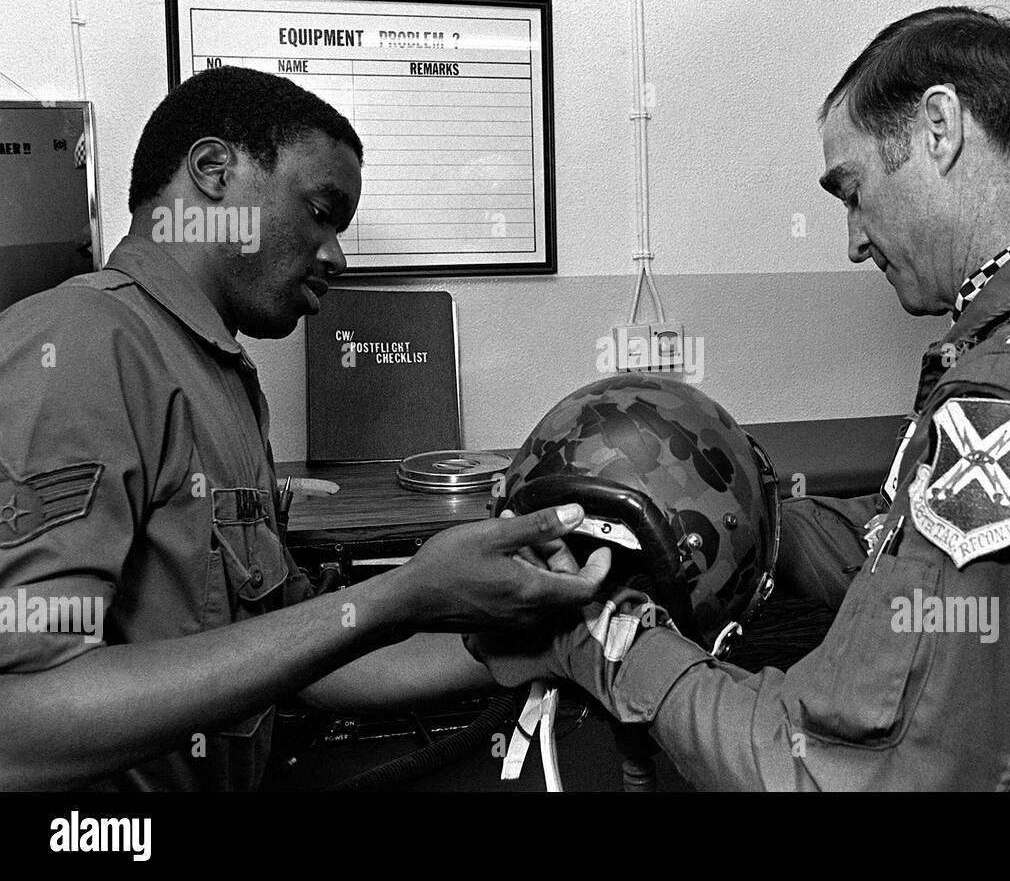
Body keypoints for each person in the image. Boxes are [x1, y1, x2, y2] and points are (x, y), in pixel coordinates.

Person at [469, 6, 1010, 790]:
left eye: (854, 189)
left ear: (940, 129)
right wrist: (751, 524)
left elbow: (843, 771)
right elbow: (921, 556)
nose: (856, 240)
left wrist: (605, 647)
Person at [0, 66, 611, 790]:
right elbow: (18, 726)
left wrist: (525, 646)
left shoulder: (220, 375)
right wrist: (400, 592)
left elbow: (302, 659)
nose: (337, 256)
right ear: (214, 172)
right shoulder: (79, 345)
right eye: (321, 211)